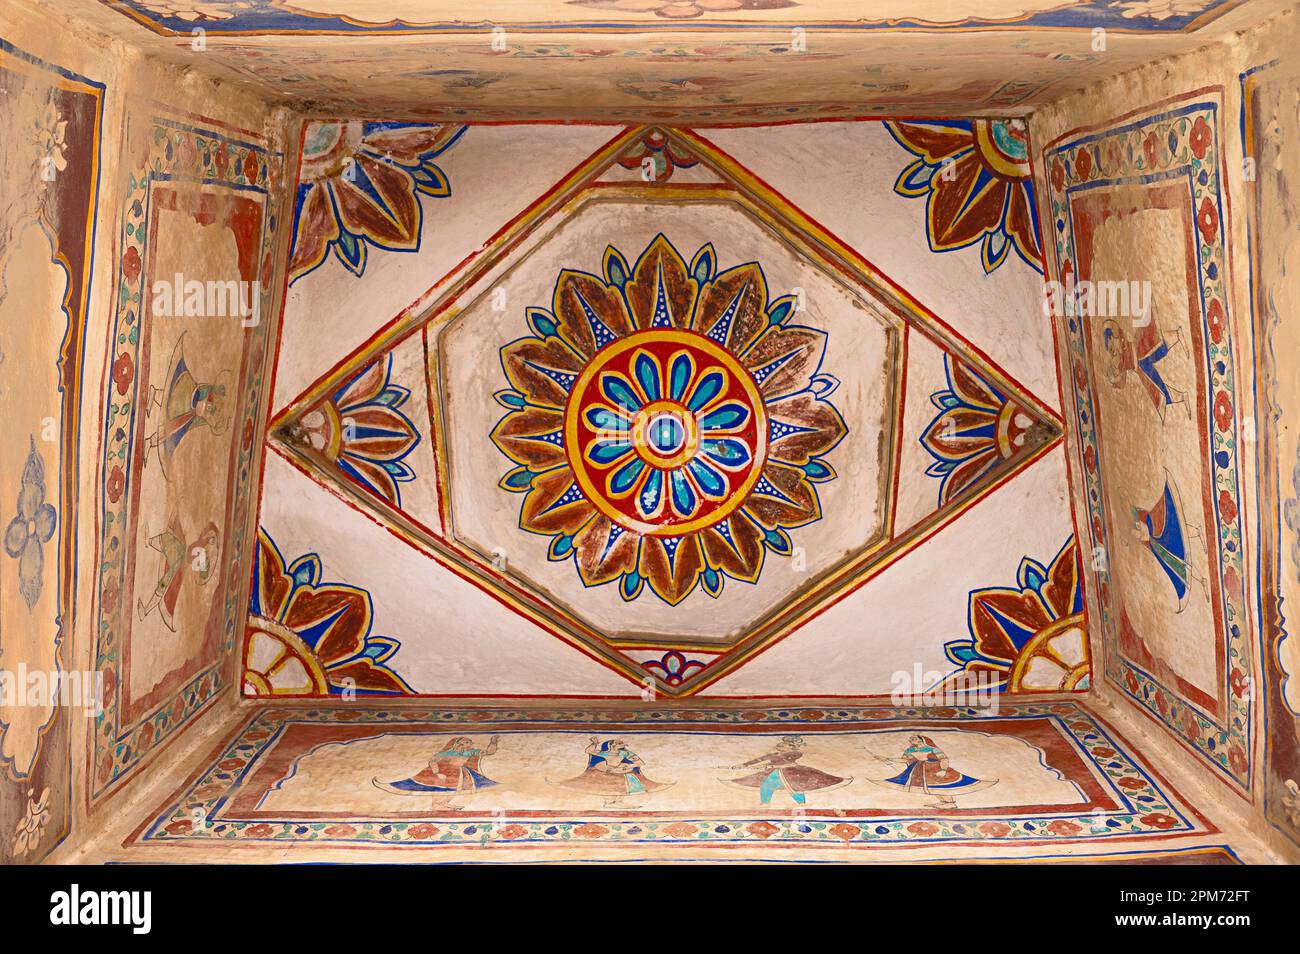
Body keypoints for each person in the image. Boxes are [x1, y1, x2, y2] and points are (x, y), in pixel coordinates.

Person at [721, 735, 851, 806]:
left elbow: (794, 757)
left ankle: (801, 804)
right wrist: (742, 765)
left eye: (785, 745)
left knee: (795, 787)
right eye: (782, 745)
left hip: (790, 772)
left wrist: (778, 761)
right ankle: (765, 804)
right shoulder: (773, 755)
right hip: (775, 773)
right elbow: (757, 760)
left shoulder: (793, 753)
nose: (782, 746)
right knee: (766, 786)